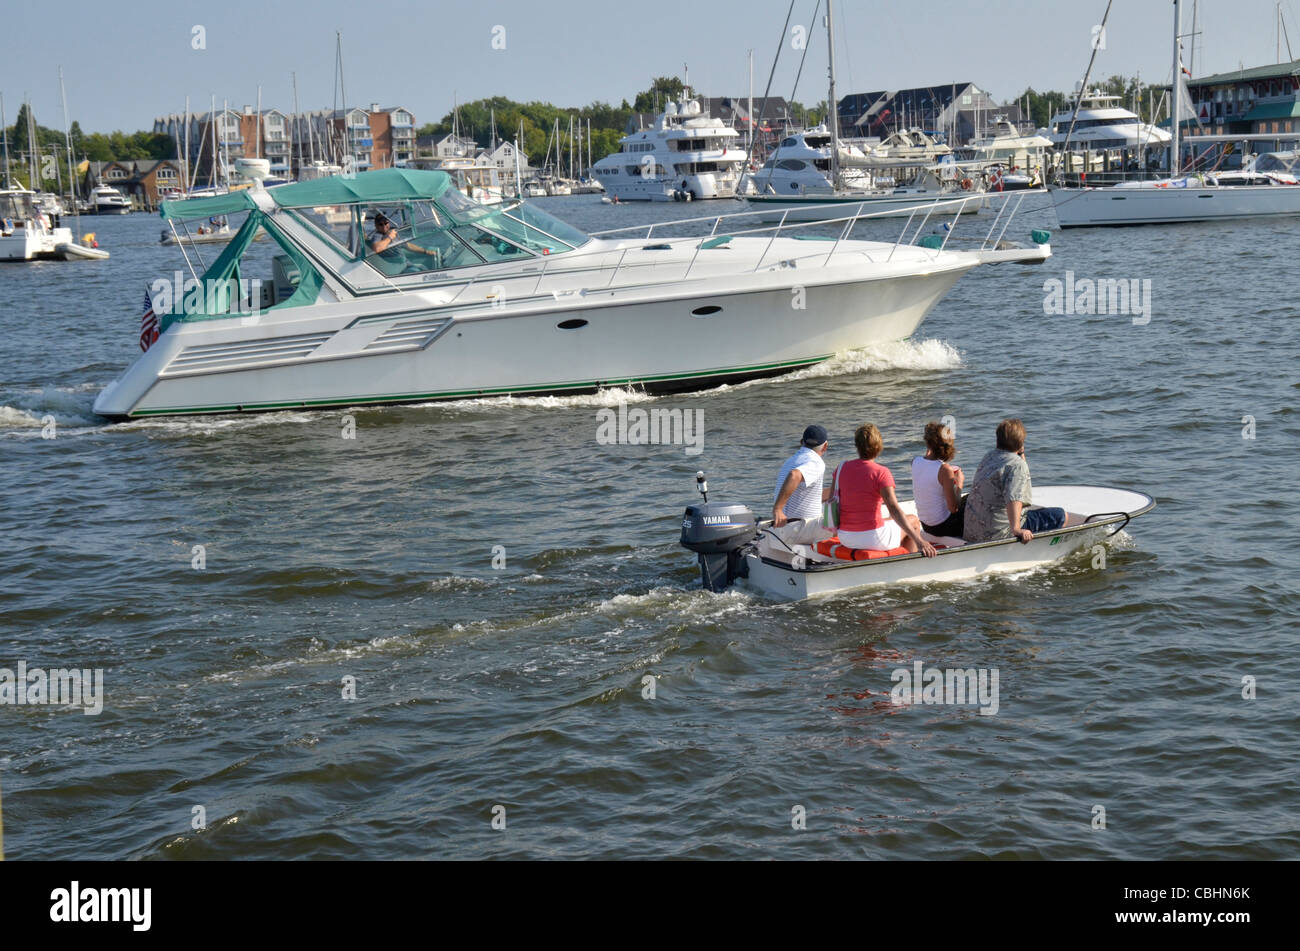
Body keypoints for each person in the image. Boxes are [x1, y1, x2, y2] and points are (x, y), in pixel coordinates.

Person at [963, 418, 1079, 545]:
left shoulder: (989, 456)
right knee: (1061, 515)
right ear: (1020, 442)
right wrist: (1016, 529)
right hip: (998, 533)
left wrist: (1021, 451)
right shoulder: (1016, 465)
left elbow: (1020, 475)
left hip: (972, 531)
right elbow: (1014, 498)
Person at [834, 424, 936, 557]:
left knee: (888, 520)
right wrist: (920, 541)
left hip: (846, 537)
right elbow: (894, 509)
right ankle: (908, 563)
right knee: (913, 521)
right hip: (872, 538)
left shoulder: (841, 468)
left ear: (857, 446)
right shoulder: (881, 473)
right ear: (878, 446)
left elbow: (833, 499)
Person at [771, 424, 833, 542]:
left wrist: (841, 490)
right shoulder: (816, 462)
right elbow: (794, 476)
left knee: (831, 507)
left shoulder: (791, 460)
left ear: (801, 442)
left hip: (782, 528)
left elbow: (810, 495)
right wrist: (778, 509)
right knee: (845, 520)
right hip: (800, 528)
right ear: (825, 446)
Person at [911, 420, 965, 539]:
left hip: (926, 525)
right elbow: (953, 508)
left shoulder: (915, 461)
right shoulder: (945, 469)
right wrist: (959, 484)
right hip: (943, 527)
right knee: (971, 500)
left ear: (928, 444)